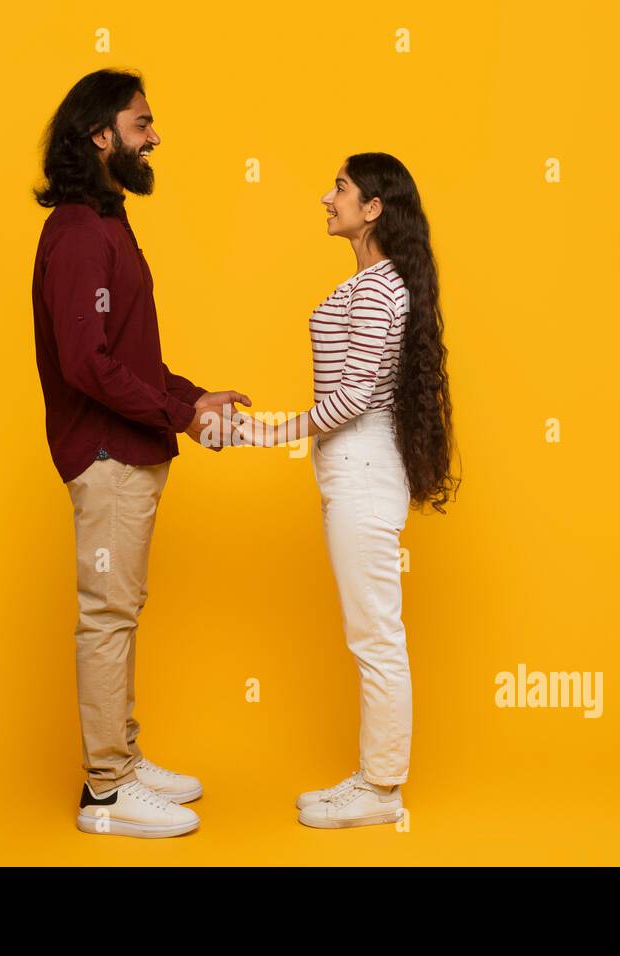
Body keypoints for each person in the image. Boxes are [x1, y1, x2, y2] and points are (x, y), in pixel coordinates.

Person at [32, 68, 249, 838]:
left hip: (131, 447)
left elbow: (127, 351)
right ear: (101, 136)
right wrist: (179, 415)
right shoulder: (81, 234)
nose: (154, 136)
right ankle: (105, 793)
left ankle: (122, 756)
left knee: (120, 612)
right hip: (107, 456)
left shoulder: (107, 222)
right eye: (141, 123)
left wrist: (190, 398)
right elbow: (85, 364)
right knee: (107, 617)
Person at [236, 153, 458, 828]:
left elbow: (354, 397)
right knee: (372, 633)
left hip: (361, 469)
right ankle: (371, 781)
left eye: (339, 188)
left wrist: (258, 432)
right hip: (354, 468)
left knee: (375, 638)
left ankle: (382, 790)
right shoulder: (380, 284)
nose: (325, 197)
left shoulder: (376, 288)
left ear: (372, 209)